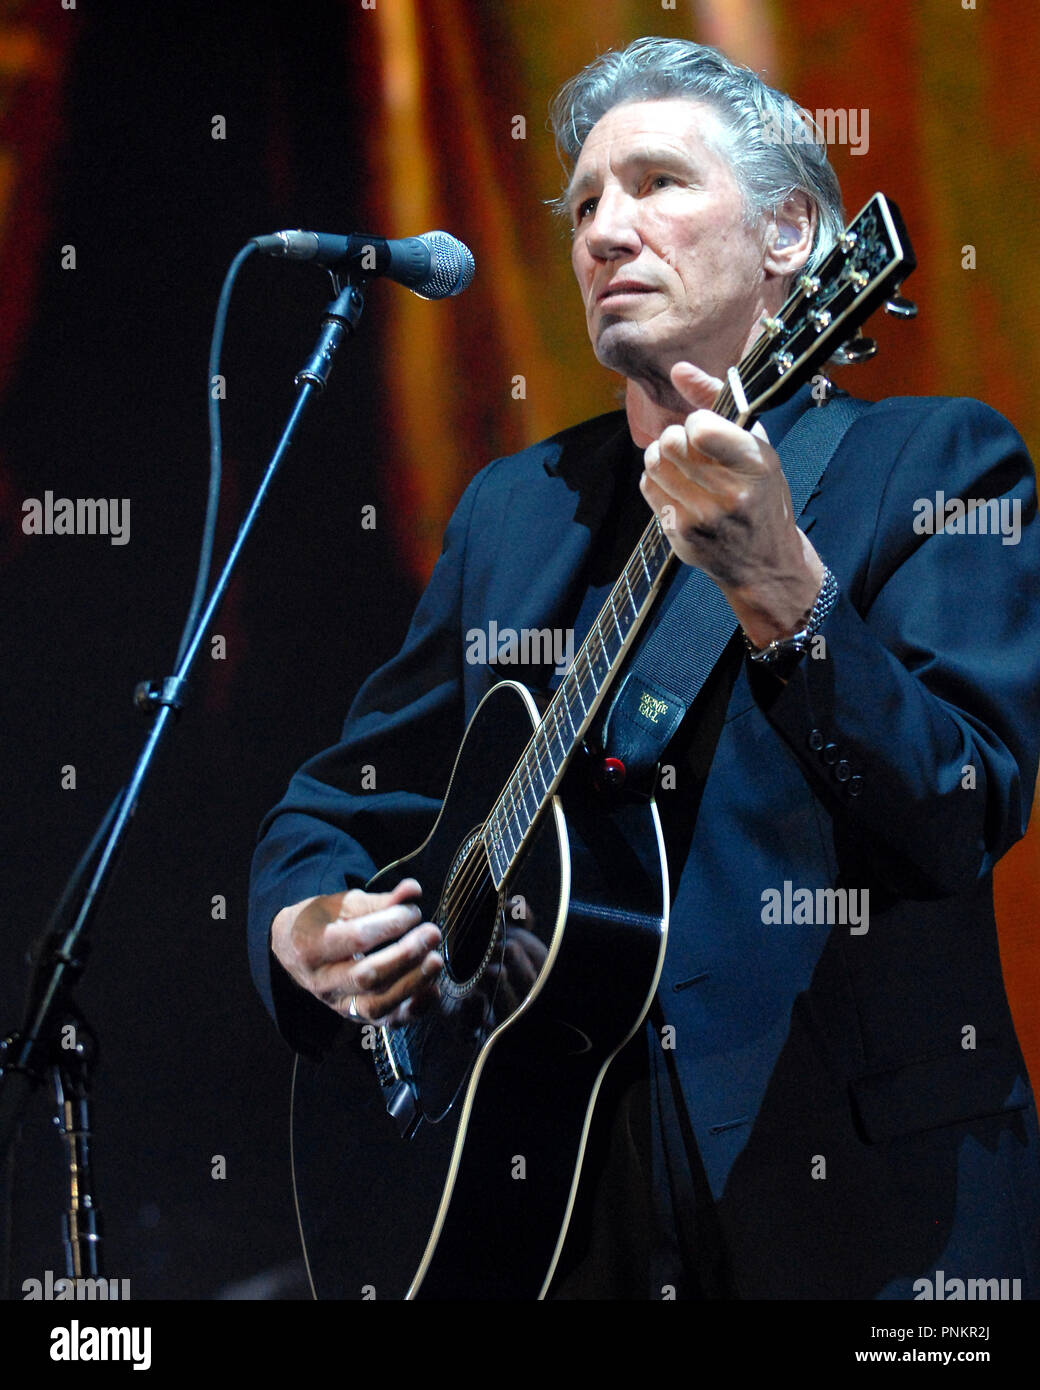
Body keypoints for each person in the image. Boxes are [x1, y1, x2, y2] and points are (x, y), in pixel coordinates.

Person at [248, 37, 1040, 1299]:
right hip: (552, 1204)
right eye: (582, 206)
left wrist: (786, 592)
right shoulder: (519, 507)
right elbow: (341, 800)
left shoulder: (933, 465)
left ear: (790, 236)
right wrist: (303, 919)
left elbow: (958, 811)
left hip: (858, 1216)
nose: (605, 230)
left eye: (658, 183)